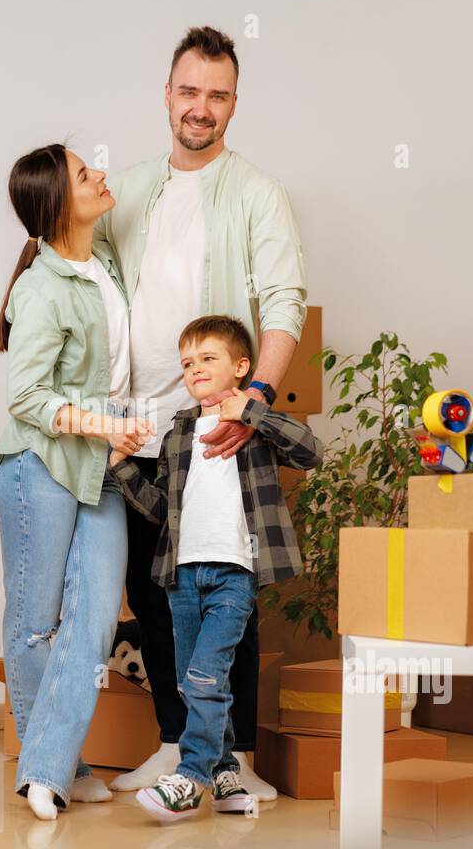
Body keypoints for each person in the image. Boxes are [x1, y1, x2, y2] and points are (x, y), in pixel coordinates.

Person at [94, 26, 310, 796]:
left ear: (233, 104)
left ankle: (238, 759)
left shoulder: (256, 193)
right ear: (168, 94)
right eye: (189, 92)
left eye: (217, 96)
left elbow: (287, 301)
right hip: (139, 422)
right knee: (155, 591)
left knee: (227, 589)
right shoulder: (131, 189)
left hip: (214, 429)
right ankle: (177, 740)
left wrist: (254, 400)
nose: (201, 108)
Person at [0, 144, 154, 821]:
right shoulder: (40, 287)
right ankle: (54, 770)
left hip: (101, 466)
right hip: (39, 466)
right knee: (34, 627)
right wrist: (103, 426)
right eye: (87, 175)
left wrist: (119, 429)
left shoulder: (105, 263)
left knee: (91, 623)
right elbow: (26, 396)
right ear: (58, 203)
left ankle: (49, 766)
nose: (102, 176)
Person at [109, 315, 320, 822]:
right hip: (182, 576)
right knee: (192, 680)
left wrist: (255, 412)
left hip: (233, 573)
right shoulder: (180, 430)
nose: (195, 369)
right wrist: (118, 466)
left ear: (241, 366)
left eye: (209, 358)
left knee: (206, 674)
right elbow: (160, 508)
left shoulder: (254, 423)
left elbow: (311, 452)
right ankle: (226, 773)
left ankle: (191, 777)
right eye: (187, 363)